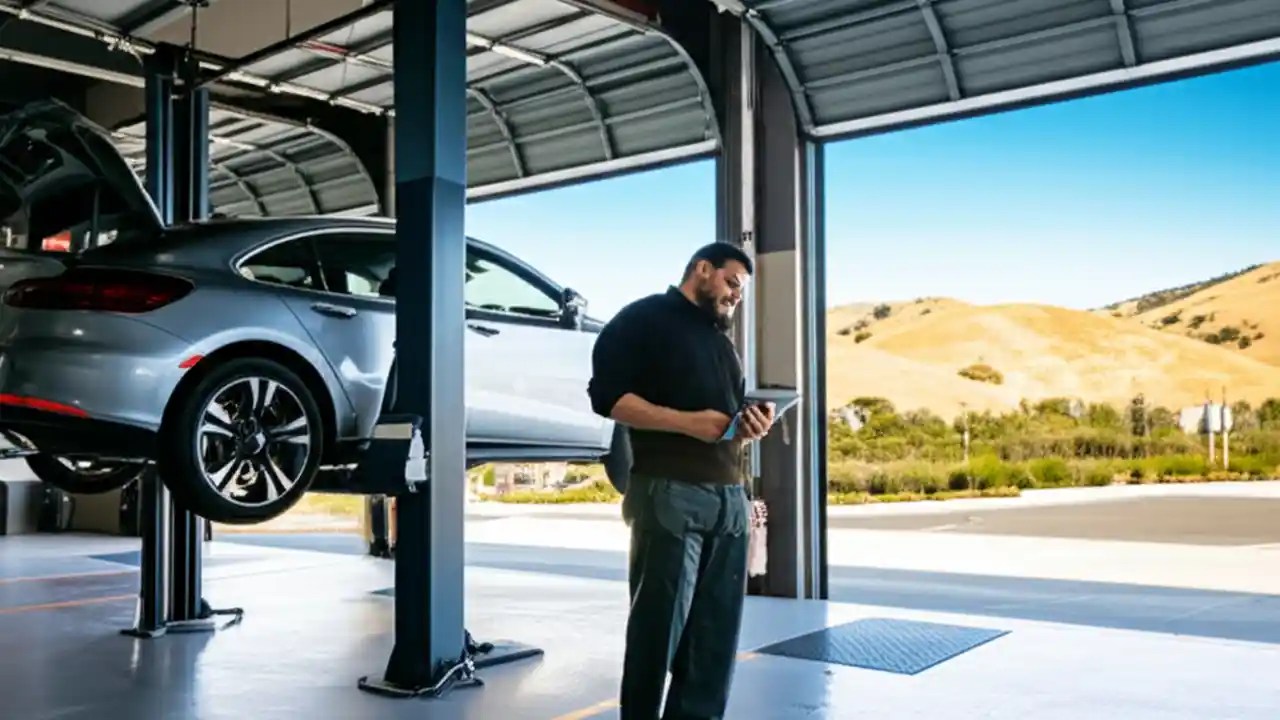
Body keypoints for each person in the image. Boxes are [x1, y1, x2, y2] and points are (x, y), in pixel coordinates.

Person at [587, 242, 776, 720]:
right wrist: (688, 422)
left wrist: (749, 425)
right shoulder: (643, 319)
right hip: (669, 496)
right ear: (703, 269)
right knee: (657, 633)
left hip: (728, 501)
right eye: (732, 282)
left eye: (741, 290)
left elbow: (721, 423)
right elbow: (608, 398)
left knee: (713, 644)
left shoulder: (721, 344)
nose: (736, 295)